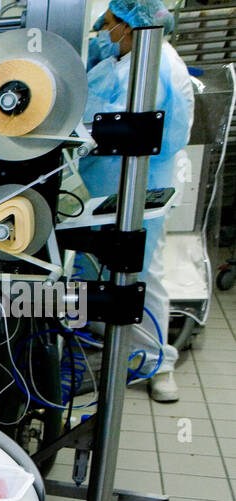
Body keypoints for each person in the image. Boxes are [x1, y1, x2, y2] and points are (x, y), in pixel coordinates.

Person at [78, 0, 195, 403]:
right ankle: (110, 341)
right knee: (109, 262)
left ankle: (159, 363)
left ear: (131, 26)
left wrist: (89, 135)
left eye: (110, 25)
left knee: (143, 271)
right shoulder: (119, 56)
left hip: (144, 182)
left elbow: (159, 133)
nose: (104, 32)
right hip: (108, 182)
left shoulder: (160, 66)